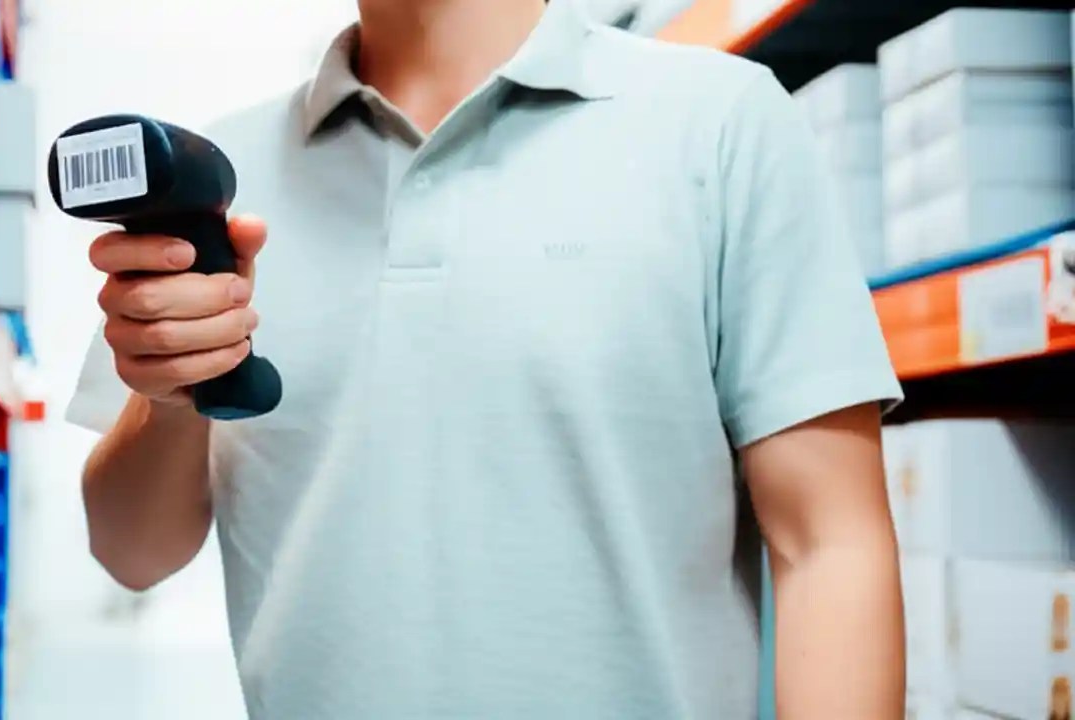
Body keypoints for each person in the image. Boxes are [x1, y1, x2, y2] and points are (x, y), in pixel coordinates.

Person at [66, 0, 907, 717]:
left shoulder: (721, 122)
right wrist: (169, 393)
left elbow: (830, 544)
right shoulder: (218, 182)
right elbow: (131, 553)